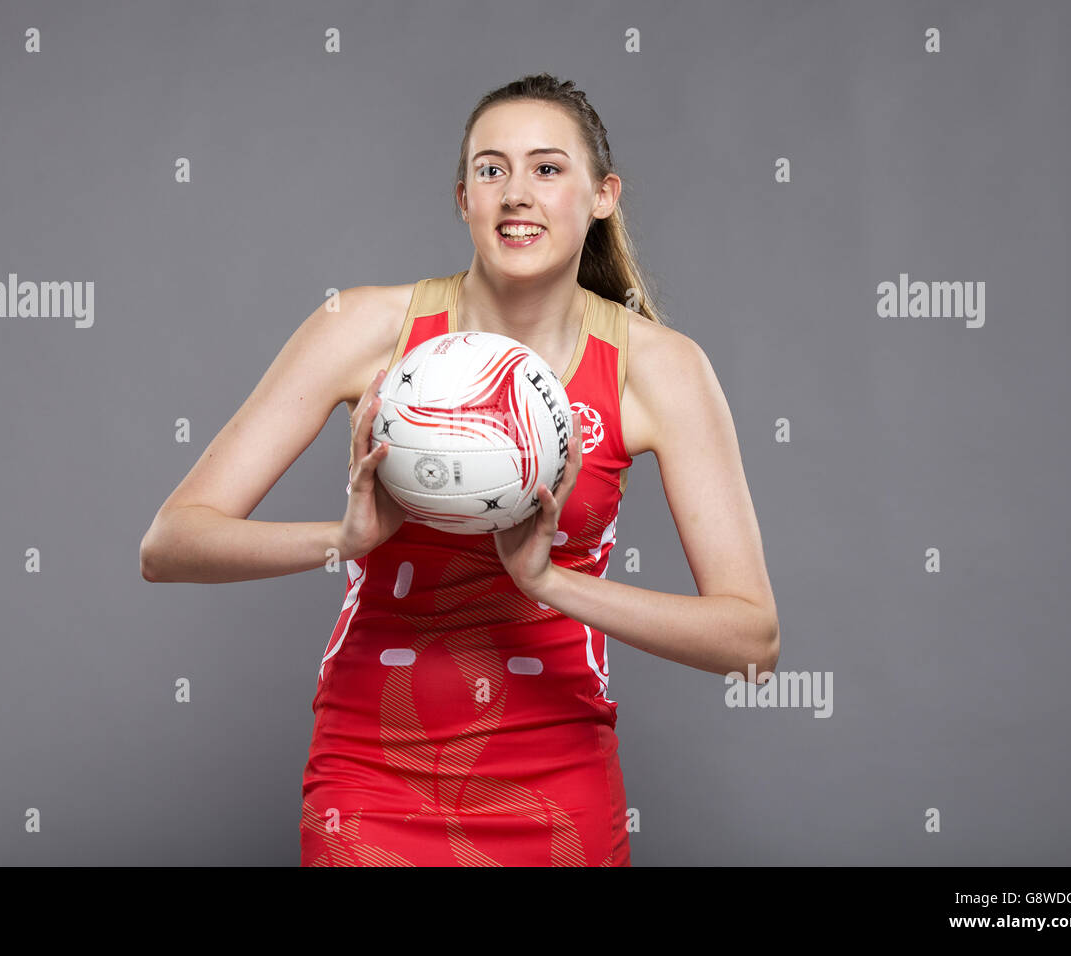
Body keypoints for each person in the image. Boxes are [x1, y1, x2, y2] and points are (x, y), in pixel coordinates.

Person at [139, 73, 779, 866]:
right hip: (370, 781)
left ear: (603, 195)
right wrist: (344, 537)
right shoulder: (369, 327)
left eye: (547, 169)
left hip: (556, 784)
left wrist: (549, 582)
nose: (517, 193)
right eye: (491, 170)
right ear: (462, 197)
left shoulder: (658, 368)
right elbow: (169, 545)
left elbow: (752, 640)